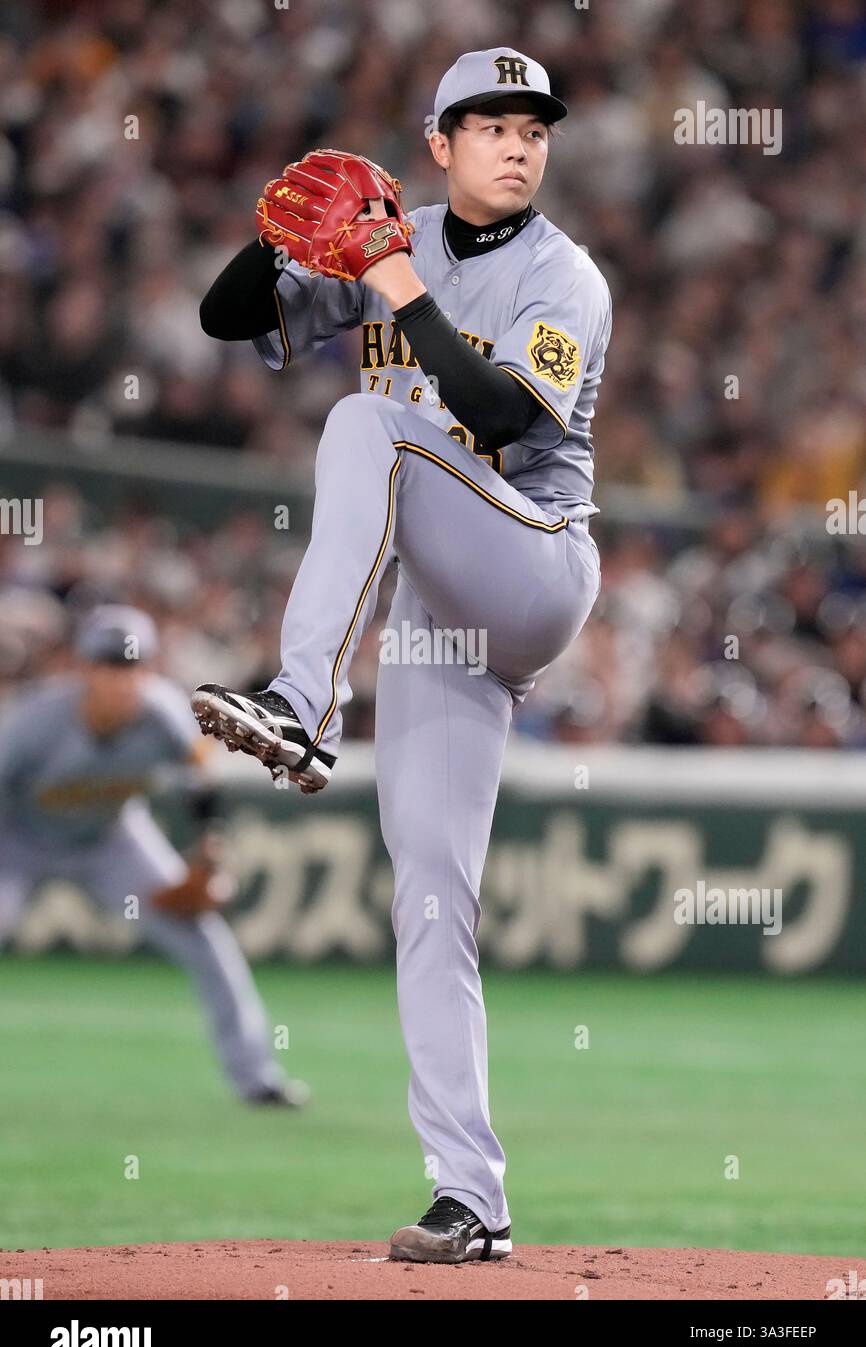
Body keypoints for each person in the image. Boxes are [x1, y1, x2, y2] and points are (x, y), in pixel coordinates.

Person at [194, 47, 612, 1262]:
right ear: (438, 144)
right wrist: (277, 231)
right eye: (488, 123)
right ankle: (469, 1198)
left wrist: (387, 279)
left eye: (534, 125)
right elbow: (227, 318)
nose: (518, 142)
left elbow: (494, 421)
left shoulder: (563, 275)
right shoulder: (397, 233)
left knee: (363, 418)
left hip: (531, 563)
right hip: (435, 614)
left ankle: (300, 701)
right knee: (431, 899)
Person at [0, 604, 309, 1108]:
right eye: (109, 668)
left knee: (205, 940)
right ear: (82, 670)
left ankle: (258, 1078)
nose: (122, 682)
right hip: (17, 840)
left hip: (111, 839)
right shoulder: (35, 720)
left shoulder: (163, 713)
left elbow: (200, 781)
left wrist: (209, 849)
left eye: (133, 668)